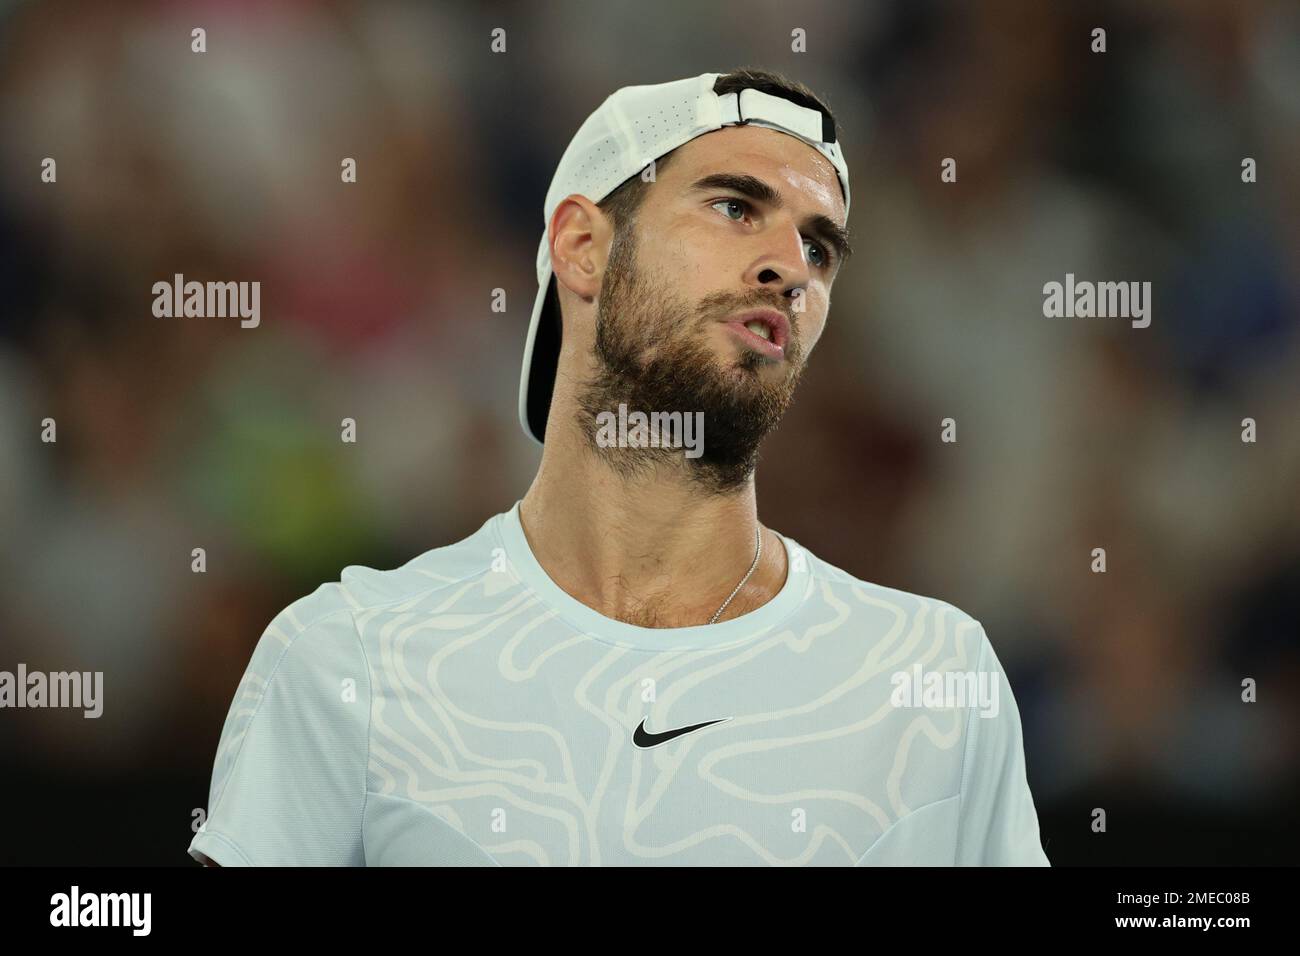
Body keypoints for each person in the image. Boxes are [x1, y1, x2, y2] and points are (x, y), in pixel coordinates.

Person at [189, 68, 1050, 866]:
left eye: (820, 249)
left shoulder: (935, 677)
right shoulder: (352, 659)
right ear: (582, 244)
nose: (791, 268)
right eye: (735, 207)